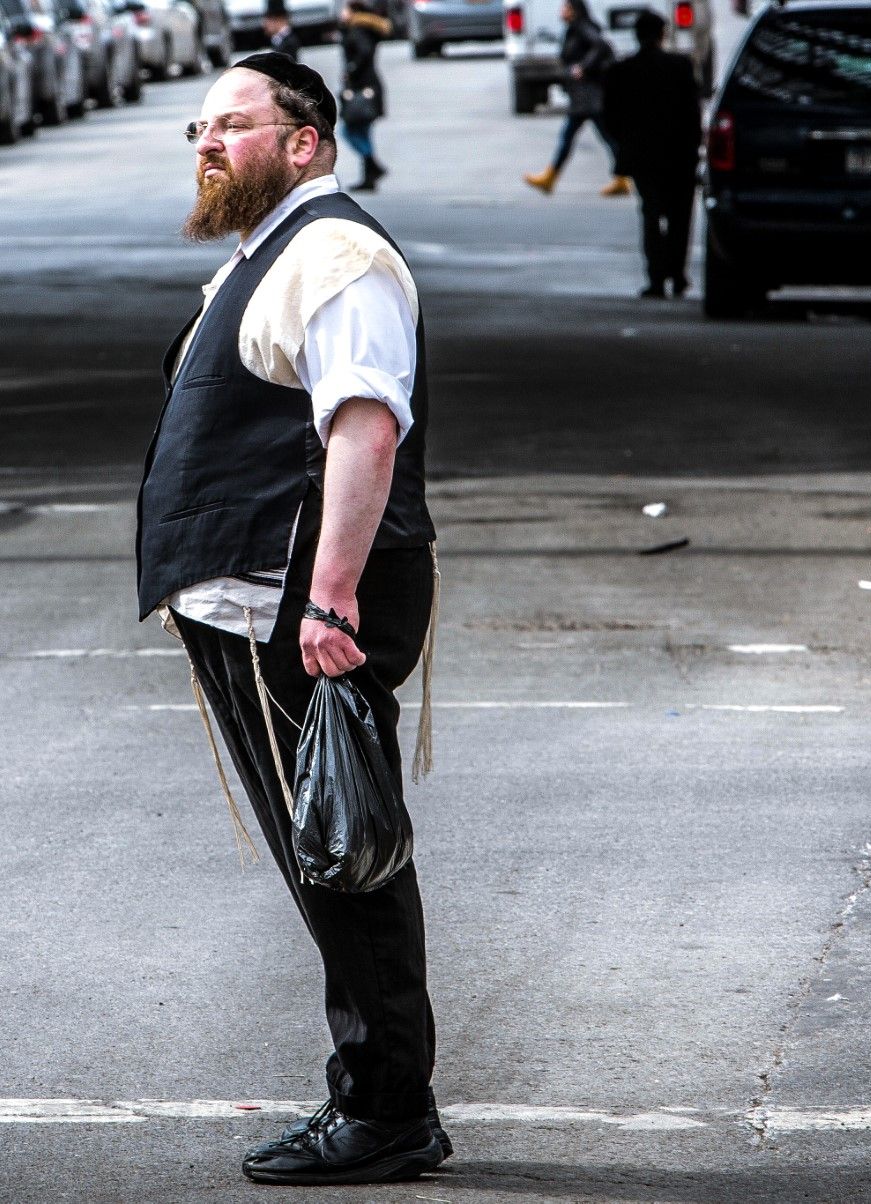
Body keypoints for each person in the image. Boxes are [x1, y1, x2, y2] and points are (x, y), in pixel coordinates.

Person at [136, 51, 447, 1186]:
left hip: (298, 608)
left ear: (303, 141)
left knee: (343, 855)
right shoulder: (267, 255)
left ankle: (384, 1108)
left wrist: (327, 597)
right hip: (257, 602)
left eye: (233, 124)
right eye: (200, 130)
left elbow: (364, 428)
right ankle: (379, 1096)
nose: (209, 143)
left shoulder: (336, 254)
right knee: (324, 852)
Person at [602, 8, 701, 298]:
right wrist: (694, 148)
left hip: (643, 155)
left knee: (650, 212)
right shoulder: (680, 67)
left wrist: (626, 143)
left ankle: (656, 277)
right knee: (680, 216)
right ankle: (678, 274)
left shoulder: (621, 72)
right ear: (662, 34)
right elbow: (692, 113)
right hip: (679, 154)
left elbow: (610, 117)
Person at [522, 0, 629, 197]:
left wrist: (583, 68)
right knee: (595, 137)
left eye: (566, 7)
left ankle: (622, 176)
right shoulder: (574, 29)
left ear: (575, 11)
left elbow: (601, 45)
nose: (562, 10)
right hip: (583, 97)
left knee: (603, 137)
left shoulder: (582, 27)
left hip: (590, 97)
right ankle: (551, 177)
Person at [340, 0, 391, 192]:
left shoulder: (357, 30)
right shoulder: (362, 28)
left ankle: (372, 165)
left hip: (363, 88)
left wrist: (351, 71)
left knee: (350, 130)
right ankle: (369, 175)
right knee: (362, 130)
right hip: (368, 86)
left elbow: (364, 52)